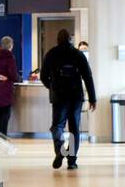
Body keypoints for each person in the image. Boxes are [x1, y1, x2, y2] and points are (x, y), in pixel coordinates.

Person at [39, 28, 96, 170]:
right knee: (74, 128)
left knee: (57, 126)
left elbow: (43, 76)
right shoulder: (78, 55)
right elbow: (88, 77)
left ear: (57, 39)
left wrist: (52, 87)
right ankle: (71, 161)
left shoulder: (51, 54)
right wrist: (92, 98)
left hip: (59, 96)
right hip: (76, 96)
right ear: (70, 40)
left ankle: (60, 151)